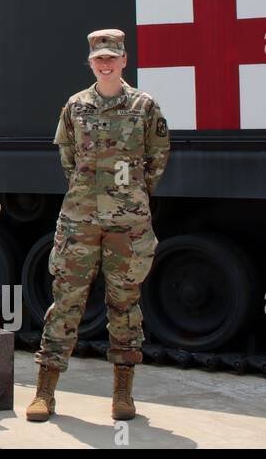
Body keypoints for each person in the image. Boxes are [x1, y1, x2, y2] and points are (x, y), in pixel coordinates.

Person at [27, 29, 170, 422]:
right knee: (66, 303)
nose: (105, 64)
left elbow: (157, 159)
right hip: (79, 220)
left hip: (128, 225)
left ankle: (123, 392)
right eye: (98, 59)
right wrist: (87, 195)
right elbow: (67, 157)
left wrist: (132, 195)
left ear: (124, 60)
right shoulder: (75, 106)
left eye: (112, 57)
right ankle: (45, 391)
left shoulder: (144, 106)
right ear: (90, 63)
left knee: (124, 305)